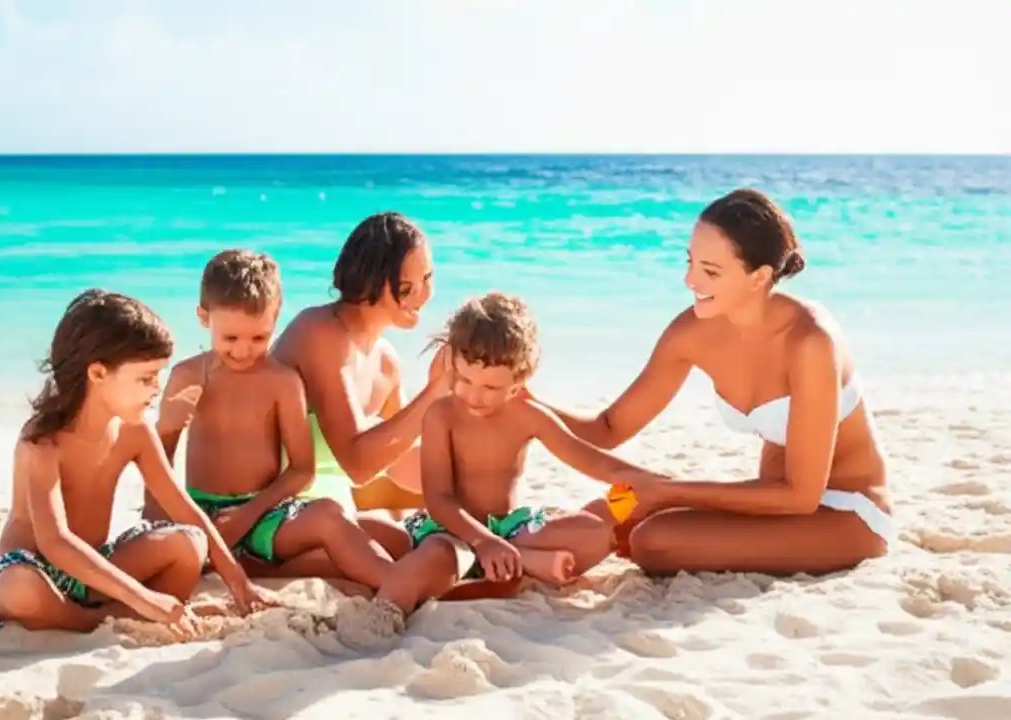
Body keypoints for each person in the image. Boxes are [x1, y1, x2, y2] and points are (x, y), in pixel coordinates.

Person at [541, 188, 892, 575]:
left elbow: (801, 496)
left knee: (652, 538)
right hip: (764, 503)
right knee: (611, 509)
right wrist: (520, 401)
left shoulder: (809, 341)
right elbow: (609, 428)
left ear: (758, 277)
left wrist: (667, 492)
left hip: (841, 512)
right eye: (690, 262)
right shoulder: (691, 331)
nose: (689, 280)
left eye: (710, 271)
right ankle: (527, 554)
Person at [0, 289, 270, 638]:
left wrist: (239, 582)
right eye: (146, 378)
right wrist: (143, 598)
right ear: (97, 373)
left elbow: (182, 507)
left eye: (158, 375)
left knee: (189, 542)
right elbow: (56, 542)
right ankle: (98, 618)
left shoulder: (135, 431)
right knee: (15, 588)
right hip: (38, 570)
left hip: (96, 567)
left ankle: (102, 611)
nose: (157, 388)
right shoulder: (42, 440)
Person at [375, 292, 662, 616]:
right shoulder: (442, 415)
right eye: (464, 379)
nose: (474, 396)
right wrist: (482, 542)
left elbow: (590, 460)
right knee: (432, 559)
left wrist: (649, 483)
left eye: (491, 388)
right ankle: (521, 565)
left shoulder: (528, 415)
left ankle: (512, 561)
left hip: (512, 529)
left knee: (595, 532)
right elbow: (439, 499)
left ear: (519, 381)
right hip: (452, 532)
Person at [144, 250, 396, 589]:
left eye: (259, 338)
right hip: (203, 515)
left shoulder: (282, 382)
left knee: (342, 519)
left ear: (275, 321)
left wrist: (248, 515)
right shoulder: (188, 375)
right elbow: (156, 463)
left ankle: (396, 585)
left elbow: (302, 470)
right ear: (204, 318)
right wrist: (157, 526)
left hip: (265, 514)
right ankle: (395, 584)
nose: (243, 350)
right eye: (230, 338)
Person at [271, 211, 450, 523]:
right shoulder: (319, 331)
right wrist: (436, 390)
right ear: (370, 282)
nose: (424, 295)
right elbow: (358, 463)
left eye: (428, 279)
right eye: (407, 286)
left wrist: (480, 482)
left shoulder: (385, 362)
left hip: (334, 515)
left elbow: (401, 461)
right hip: (275, 515)